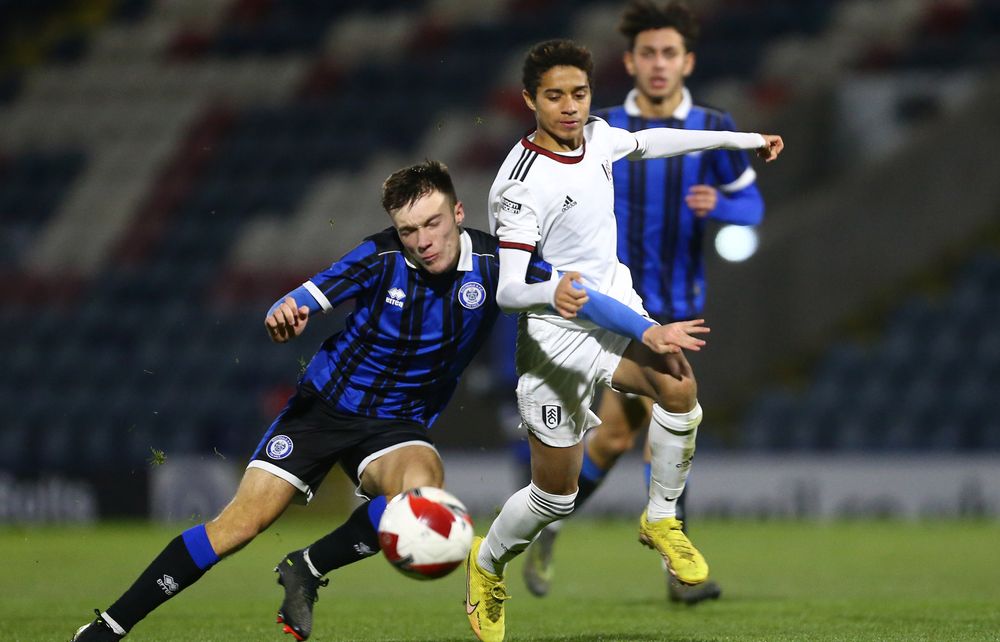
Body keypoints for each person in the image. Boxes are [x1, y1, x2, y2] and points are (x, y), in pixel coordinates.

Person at [70, 160, 543, 641]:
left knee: (422, 494)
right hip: (323, 409)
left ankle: (308, 567)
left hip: (396, 424)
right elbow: (307, 296)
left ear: (458, 213)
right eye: (408, 230)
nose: (422, 241)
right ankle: (107, 628)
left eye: (432, 223)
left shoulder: (496, 263)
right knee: (238, 527)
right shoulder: (379, 257)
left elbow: (563, 288)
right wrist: (285, 312)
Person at [463, 39, 782, 642]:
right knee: (554, 497)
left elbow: (657, 141)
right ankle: (488, 562)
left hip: (612, 309)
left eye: (579, 94)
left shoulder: (599, 137)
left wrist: (743, 141)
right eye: (554, 96)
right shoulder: (519, 184)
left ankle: (661, 519)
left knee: (679, 388)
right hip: (556, 339)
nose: (570, 107)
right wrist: (553, 290)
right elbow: (508, 290)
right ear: (529, 100)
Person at [521, 0, 766, 605]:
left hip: (676, 307)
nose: (659, 64)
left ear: (688, 62)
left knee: (618, 438)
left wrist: (723, 206)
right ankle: (675, 570)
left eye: (670, 53)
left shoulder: (710, 125)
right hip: (609, 304)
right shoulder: (597, 129)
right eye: (648, 53)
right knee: (670, 413)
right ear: (629, 62)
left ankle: (549, 526)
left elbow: (752, 207)